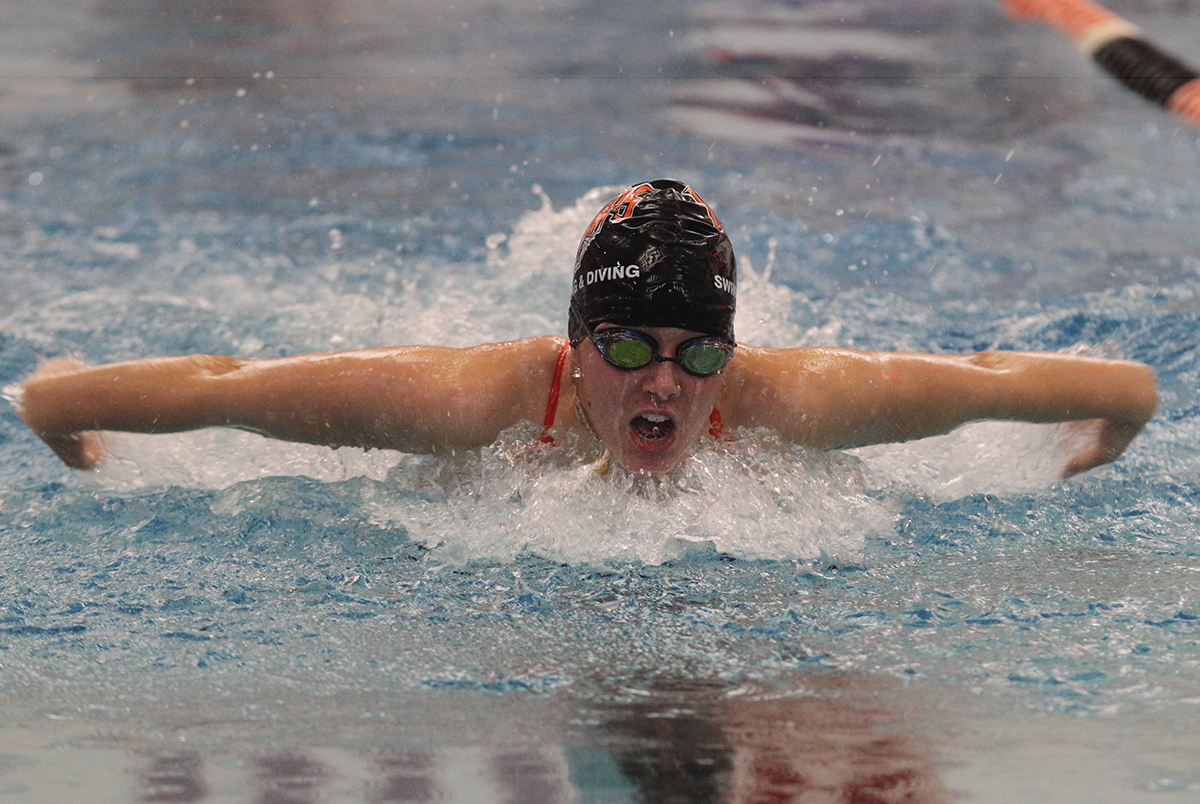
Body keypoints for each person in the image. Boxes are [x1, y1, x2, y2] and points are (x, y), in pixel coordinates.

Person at [16, 179, 1157, 479]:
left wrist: (1099, 439)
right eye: (625, 348)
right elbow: (222, 384)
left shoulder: (798, 399)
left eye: (696, 353)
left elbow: (1110, 385)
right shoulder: (466, 401)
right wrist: (74, 429)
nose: (664, 384)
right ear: (574, 347)